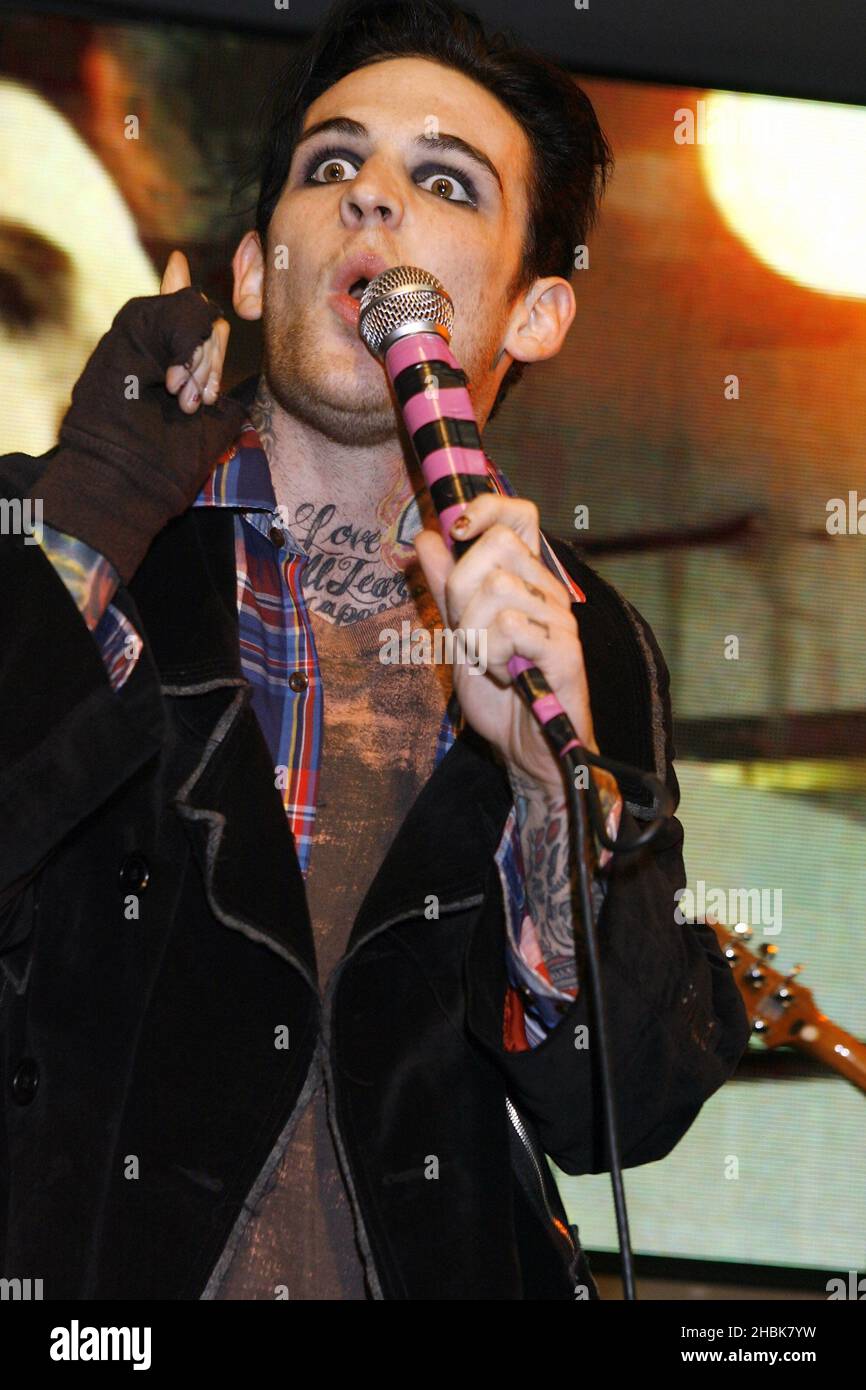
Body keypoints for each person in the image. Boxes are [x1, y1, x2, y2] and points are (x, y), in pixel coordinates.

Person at [0, 0, 750, 1300]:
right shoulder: (68, 530)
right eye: (330, 165)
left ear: (533, 312)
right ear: (250, 271)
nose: (373, 201)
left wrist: (546, 798)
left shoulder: (588, 641)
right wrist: (90, 521)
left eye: (443, 178)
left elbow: (621, 1101)